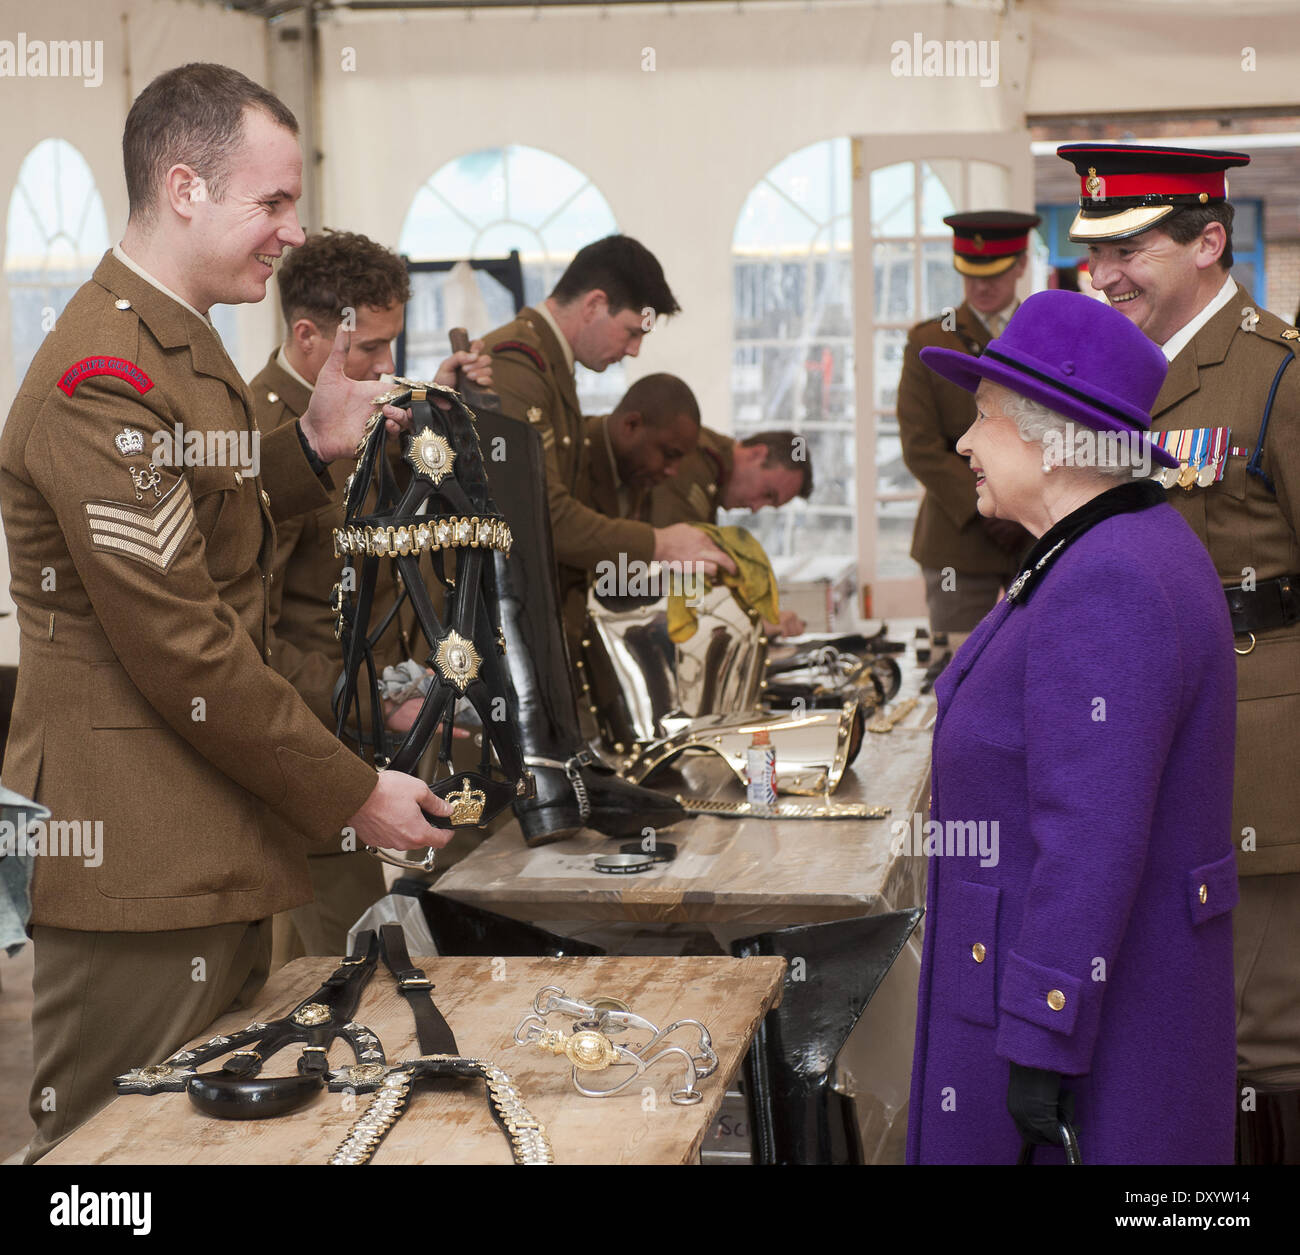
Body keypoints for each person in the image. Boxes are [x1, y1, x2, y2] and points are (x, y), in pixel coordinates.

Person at [0, 62, 452, 1160]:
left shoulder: (178, 336)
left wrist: (304, 450)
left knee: (208, 1151)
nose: (290, 234)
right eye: (273, 203)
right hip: (138, 858)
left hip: (204, 833)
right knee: (110, 1158)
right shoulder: (102, 373)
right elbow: (185, 644)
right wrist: (355, 793)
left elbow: (208, 509)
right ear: (187, 186)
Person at [906, 290, 1238, 1165]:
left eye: (982, 419)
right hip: (1065, 994)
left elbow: (1092, 835)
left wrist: (1042, 1036)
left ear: (1053, 440)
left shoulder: (1111, 579)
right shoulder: (1098, 547)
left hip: (1076, 1030)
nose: (963, 443)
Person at [1058, 141, 1300, 1162]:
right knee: (1186, 1027)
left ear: (1211, 241)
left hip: (1259, 758)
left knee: (1265, 1038)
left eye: (1131, 248)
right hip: (1148, 745)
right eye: (1089, 252)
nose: (1104, 275)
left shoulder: (1276, 370)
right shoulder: (1118, 373)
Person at [252, 229, 491, 961]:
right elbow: (251, 633)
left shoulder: (359, 413)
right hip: (308, 743)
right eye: (369, 348)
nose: (387, 366)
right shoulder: (264, 432)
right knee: (352, 967)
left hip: (367, 734)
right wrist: (372, 697)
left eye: (393, 345)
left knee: (347, 957)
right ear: (306, 335)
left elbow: (393, 560)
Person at [482, 235, 735, 649]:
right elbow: (540, 517)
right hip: (506, 633)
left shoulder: (548, 366)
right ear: (595, 305)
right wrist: (661, 543)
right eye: (632, 332)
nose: (634, 351)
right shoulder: (517, 366)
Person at [896, 212, 1039, 632]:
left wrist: (1019, 503)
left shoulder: (1045, 334)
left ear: (1020, 264)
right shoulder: (929, 340)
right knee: (956, 670)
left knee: (1045, 660)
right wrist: (988, 507)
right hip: (958, 533)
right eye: (971, 273)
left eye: (993, 273)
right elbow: (919, 447)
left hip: (1037, 529)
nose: (981, 285)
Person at [645, 428, 812, 526]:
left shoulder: (714, 476)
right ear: (757, 454)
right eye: (768, 494)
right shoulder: (695, 462)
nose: (755, 508)